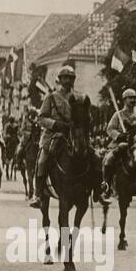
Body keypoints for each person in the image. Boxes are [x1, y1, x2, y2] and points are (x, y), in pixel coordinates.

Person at [29, 64, 82, 209]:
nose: (67, 81)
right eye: (65, 78)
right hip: (53, 136)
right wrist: (55, 124)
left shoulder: (79, 97)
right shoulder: (51, 97)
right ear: (59, 79)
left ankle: (97, 189)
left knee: (91, 156)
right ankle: (38, 194)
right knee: (41, 162)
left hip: (73, 136)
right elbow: (41, 119)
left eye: (70, 78)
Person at [100, 88, 136, 201]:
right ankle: (107, 185)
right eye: (130, 98)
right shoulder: (118, 115)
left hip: (135, 143)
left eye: (134, 98)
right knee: (109, 159)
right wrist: (119, 135)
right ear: (124, 100)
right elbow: (110, 129)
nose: (133, 100)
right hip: (120, 143)